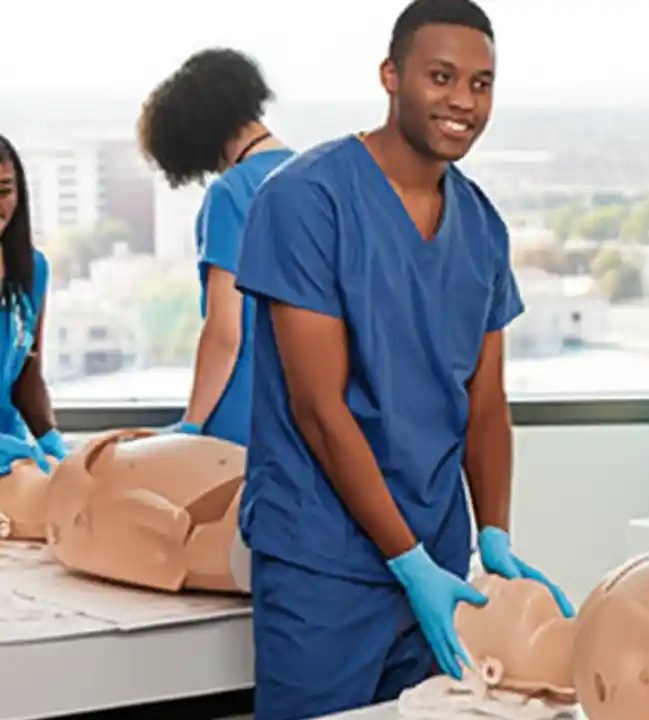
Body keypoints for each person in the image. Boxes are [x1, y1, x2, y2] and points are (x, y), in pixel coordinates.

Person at [232, 1, 573, 717]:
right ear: (391, 76)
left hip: (440, 556)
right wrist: (404, 558)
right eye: (441, 76)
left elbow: (484, 401)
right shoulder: (305, 199)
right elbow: (318, 408)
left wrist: (495, 534)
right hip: (322, 558)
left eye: (481, 84)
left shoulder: (481, 226)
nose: (463, 102)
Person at [137, 48, 295, 446]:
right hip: (307, 412)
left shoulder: (232, 193)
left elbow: (226, 332)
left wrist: (190, 425)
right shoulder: (316, 179)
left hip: (243, 417)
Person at [0, 135, 67, 472]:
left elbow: (27, 373)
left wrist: (53, 443)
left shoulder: (32, 269)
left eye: (4, 191)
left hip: (10, 452)